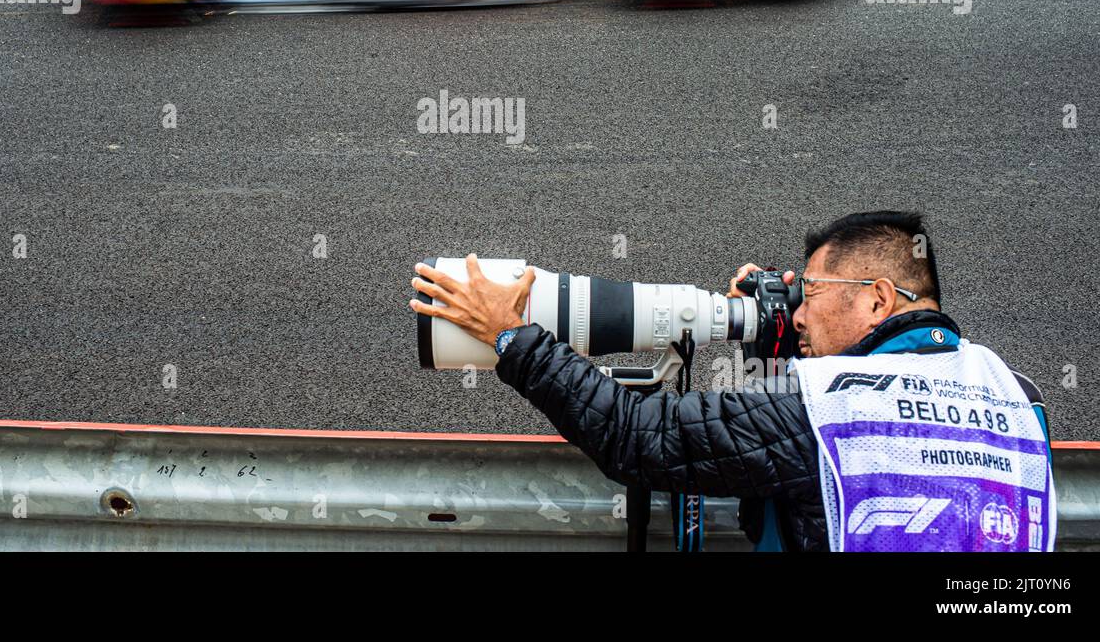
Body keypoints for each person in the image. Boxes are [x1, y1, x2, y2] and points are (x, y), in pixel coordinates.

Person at [410, 211, 1054, 551]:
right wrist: (778, 350)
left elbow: (639, 438)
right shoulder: (1017, 396)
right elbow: (831, 477)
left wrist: (513, 338)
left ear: (878, 298)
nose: (797, 314)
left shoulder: (824, 413)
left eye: (810, 294)